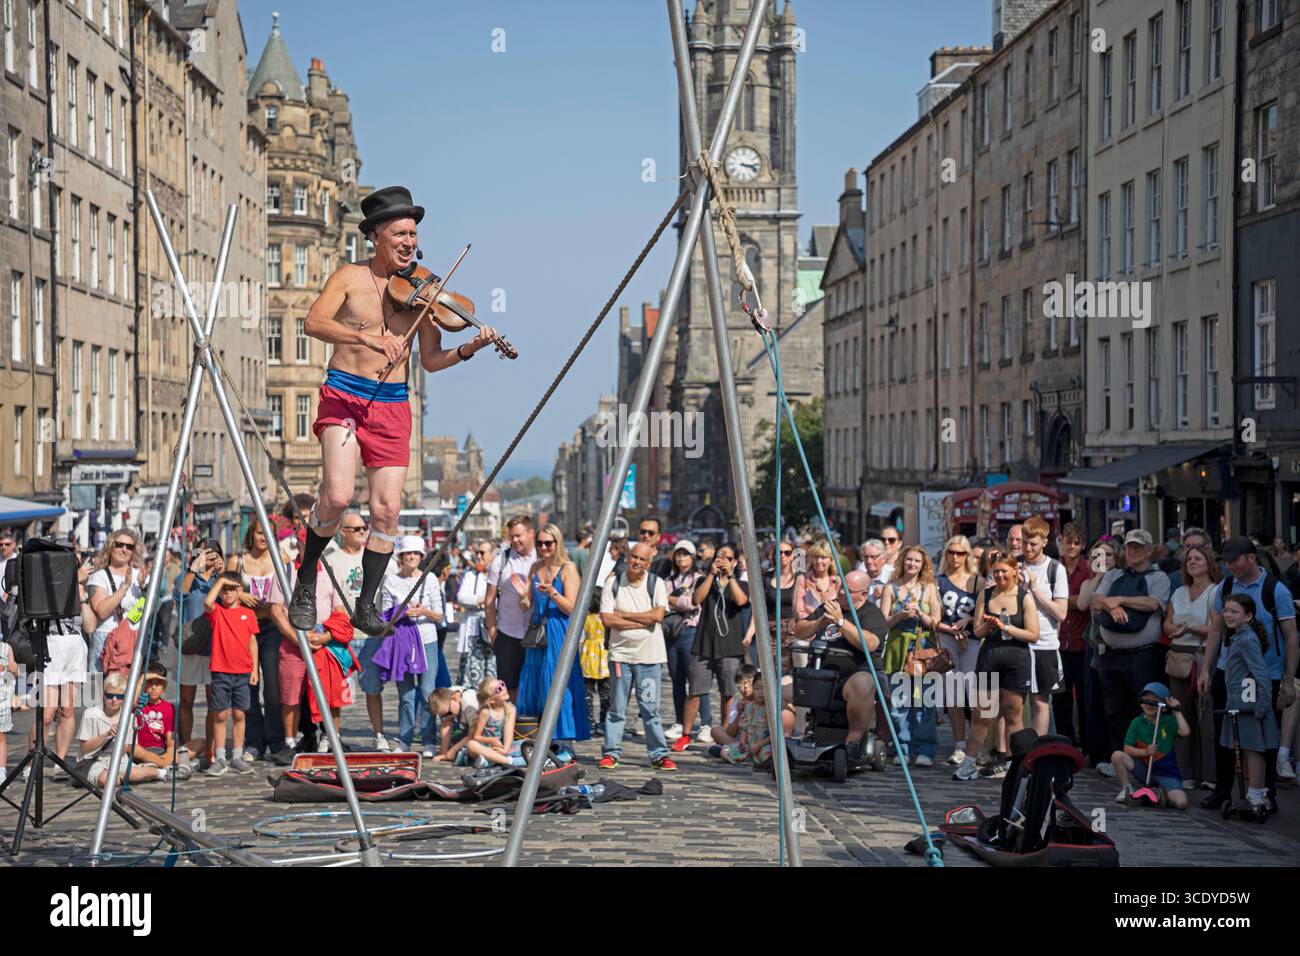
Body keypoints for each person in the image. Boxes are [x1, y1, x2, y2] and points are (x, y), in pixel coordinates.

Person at [288, 185, 499, 640]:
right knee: (339, 495)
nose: (409, 242)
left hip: (392, 404)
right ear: (376, 236)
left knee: (387, 510)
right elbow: (313, 323)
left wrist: (468, 348)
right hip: (345, 394)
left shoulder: (424, 288)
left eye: (413, 234)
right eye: (400, 233)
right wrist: (365, 338)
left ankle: (367, 603)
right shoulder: (348, 277)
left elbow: (430, 359)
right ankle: (306, 580)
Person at [1198, 537, 1297, 812]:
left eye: (1235, 560)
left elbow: (1291, 638)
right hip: (1228, 671)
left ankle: (1266, 795)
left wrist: (1288, 681)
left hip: (1264, 673)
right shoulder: (1225, 587)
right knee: (1224, 732)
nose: (1229, 565)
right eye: (1226, 561)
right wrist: (1206, 668)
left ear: (1251, 558)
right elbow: (1216, 630)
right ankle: (1222, 791)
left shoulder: (1275, 591)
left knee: (1262, 735)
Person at [952, 553, 1040, 781]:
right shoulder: (986, 593)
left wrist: (1006, 627)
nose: (999, 575)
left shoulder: (1024, 597)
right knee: (981, 714)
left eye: (1004, 571)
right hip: (990, 658)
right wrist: (990, 627)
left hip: (1017, 661)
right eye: (996, 571)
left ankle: (1014, 764)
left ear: (1014, 571)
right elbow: (978, 630)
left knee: (1013, 715)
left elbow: (1033, 634)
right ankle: (970, 762)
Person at [790, 570, 887, 766]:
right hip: (818, 676)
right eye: (842, 588)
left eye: (849, 591)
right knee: (779, 687)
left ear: (863, 593)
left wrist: (841, 622)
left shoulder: (871, 614)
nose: (842, 594)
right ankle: (782, 741)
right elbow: (799, 630)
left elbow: (870, 644)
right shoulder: (829, 606)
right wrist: (820, 622)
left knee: (863, 683)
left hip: (850, 677)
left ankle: (852, 742)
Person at [1089, 530, 1171, 759]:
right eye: (1128, 547)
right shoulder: (1114, 575)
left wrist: (1120, 600)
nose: (1132, 552)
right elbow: (1097, 599)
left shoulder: (1158, 578)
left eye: (1138, 547)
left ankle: (1145, 762)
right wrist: (1111, 606)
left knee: (1143, 710)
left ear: (1148, 551)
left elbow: (1153, 603)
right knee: (1114, 711)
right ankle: (1120, 760)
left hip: (1142, 657)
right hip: (1112, 655)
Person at [598, 541, 676, 771]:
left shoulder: (656, 584)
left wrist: (625, 616)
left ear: (648, 563)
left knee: (650, 708)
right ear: (627, 557)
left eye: (642, 559)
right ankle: (611, 752)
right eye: (634, 557)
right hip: (621, 656)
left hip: (650, 658)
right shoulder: (613, 583)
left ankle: (659, 753)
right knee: (617, 708)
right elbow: (608, 619)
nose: (636, 562)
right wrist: (643, 618)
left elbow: (658, 616)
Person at [515, 524, 590, 752]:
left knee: (558, 685)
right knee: (536, 683)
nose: (544, 547)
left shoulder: (568, 569)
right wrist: (522, 597)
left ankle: (564, 741)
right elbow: (527, 605)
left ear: (557, 543)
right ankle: (541, 738)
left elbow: (573, 608)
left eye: (549, 543)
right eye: (540, 543)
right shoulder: (535, 568)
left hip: (559, 632)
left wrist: (553, 593)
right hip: (538, 633)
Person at [672, 543, 749, 754]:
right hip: (704, 645)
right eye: (720, 556)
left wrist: (730, 576)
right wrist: (711, 575)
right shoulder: (704, 580)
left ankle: (724, 734)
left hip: (730, 646)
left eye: (729, 558)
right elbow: (696, 599)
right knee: (695, 691)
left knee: (728, 693)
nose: (724, 561)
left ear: (735, 562)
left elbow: (741, 601)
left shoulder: (741, 584)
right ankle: (686, 734)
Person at [380, 536, 449, 753]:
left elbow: (440, 615)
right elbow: (384, 614)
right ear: (400, 557)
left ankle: (428, 739)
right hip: (402, 642)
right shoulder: (391, 580)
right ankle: (405, 738)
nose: (411, 557)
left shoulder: (430, 580)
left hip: (427, 640)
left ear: (421, 556)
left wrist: (423, 611)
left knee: (428, 691)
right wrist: (403, 612)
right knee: (406, 695)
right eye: (407, 553)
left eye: (416, 553)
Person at [1214, 594, 1279, 813]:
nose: (1228, 615)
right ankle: (1254, 793)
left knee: (1253, 748)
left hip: (1247, 699)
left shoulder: (1247, 639)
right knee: (1245, 747)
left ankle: (1256, 795)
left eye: (1235, 611)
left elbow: (1260, 673)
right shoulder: (1238, 637)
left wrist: (1261, 705)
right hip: (1239, 698)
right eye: (1226, 610)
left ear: (1249, 616)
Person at [1162, 543, 1218, 789]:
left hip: (1202, 655)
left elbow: (1218, 628)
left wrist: (1191, 629)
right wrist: (1174, 629)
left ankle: (1210, 775)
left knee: (1205, 719)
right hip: (1178, 656)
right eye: (1189, 559)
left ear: (1208, 562)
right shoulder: (1179, 592)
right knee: (1180, 715)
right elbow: (1167, 623)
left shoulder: (1216, 592)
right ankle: (1186, 772)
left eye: (1198, 558)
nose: (1192, 562)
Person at [880, 545, 943, 766]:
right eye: (909, 560)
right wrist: (900, 615)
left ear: (923, 564)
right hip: (898, 649)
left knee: (924, 702)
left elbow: (936, 622)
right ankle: (902, 748)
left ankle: (925, 749)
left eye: (917, 561)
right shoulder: (890, 588)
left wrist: (921, 614)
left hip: (922, 649)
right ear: (902, 562)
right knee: (899, 705)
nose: (912, 564)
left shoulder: (929, 588)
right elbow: (882, 622)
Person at [77, 673, 191, 787]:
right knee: (106, 780)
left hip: (119, 760)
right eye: (110, 695)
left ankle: (162, 773)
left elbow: (127, 748)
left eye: (119, 696)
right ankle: (130, 775)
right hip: (94, 762)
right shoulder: (91, 714)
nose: (114, 700)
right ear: (104, 695)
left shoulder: (129, 717)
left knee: (132, 773)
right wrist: (105, 735)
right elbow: (85, 749)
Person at [227, 522, 281, 762]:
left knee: (272, 686)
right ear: (252, 533)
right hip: (245, 627)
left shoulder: (280, 557)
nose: (264, 537)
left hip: (272, 625)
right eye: (260, 533)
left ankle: (276, 740)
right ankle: (254, 741)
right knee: (248, 685)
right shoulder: (237, 560)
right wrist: (239, 593)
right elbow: (222, 587)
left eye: (268, 533)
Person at [203, 572, 260, 776]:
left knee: (239, 713)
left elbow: (252, 642)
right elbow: (208, 601)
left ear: (240, 591)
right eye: (224, 589)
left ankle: (236, 756)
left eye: (232, 588)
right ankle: (220, 757)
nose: (227, 593)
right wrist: (221, 581)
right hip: (221, 670)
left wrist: (254, 669)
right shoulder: (217, 611)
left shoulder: (249, 614)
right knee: (220, 714)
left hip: (242, 671)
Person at [173, 539, 222, 764]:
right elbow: (179, 594)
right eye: (204, 552)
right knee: (186, 701)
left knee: (215, 701)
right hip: (190, 644)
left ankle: (211, 751)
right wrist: (194, 568)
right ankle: (185, 747)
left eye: (213, 553)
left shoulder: (221, 579)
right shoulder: (187, 578)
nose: (209, 557)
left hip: (215, 646)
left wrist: (224, 575)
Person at [1019, 517, 1069, 736]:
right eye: (1024, 543)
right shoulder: (1015, 565)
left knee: (1041, 702)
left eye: (1033, 544)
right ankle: (1017, 756)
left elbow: (1061, 613)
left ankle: (1037, 755)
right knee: (1015, 704)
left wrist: (1035, 590)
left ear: (1044, 542)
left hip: (1044, 644)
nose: (1028, 548)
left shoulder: (1055, 569)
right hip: (1018, 642)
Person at [484, 515, 539, 700]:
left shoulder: (541, 559)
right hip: (507, 634)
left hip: (536, 635)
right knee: (508, 689)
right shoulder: (501, 561)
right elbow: (489, 600)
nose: (514, 540)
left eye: (518, 535)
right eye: (511, 536)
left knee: (536, 685)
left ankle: (536, 727)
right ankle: (512, 727)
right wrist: (493, 632)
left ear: (531, 533)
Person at [935, 535, 979, 765]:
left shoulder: (976, 581)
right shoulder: (939, 581)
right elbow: (933, 618)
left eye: (960, 553)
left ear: (967, 555)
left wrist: (969, 620)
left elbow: (985, 610)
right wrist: (951, 630)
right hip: (948, 639)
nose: (955, 557)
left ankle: (976, 745)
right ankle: (959, 745)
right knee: (953, 695)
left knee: (974, 694)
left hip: (972, 641)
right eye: (951, 552)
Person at [1078, 538, 1120, 774]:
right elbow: (1084, 604)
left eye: (1107, 556)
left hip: (1114, 648)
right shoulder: (1090, 582)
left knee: (1112, 703)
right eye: (1096, 557)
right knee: (1092, 701)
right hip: (1093, 647)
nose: (1101, 561)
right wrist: (1097, 577)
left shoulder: (1121, 581)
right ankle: (1097, 751)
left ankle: (1114, 753)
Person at [1112, 682, 1190, 809]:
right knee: (1117, 756)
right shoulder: (1137, 723)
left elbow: (1185, 732)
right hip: (1144, 769)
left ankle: (1160, 793)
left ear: (1164, 707)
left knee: (1181, 803)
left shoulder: (1168, 722)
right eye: (1146, 700)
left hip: (1167, 773)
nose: (1149, 704)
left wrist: (1176, 711)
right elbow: (1127, 749)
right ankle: (1127, 789)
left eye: (1154, 701)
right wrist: (1145, 752)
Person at [742, 538, 800, 709]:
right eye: (779, 552)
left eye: (787, 552)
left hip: (793, 631)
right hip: (771, 632)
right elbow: (759, 609)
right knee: (768, 673)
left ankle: (790, 712)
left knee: (791, 674)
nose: (782, 556)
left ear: (792, 556)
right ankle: (769, 713)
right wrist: (750, 632)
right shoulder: (766, 578)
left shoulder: (799, 578)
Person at [87, 530, 148, 673]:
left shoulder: (140, 575)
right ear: (110, 547)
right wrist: (124, 588)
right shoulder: (98, 577)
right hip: (105, 638)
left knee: (127, 691)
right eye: (120, 545)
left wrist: (144, 587)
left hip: (133, 639)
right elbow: (101, 612)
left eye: (129, 546)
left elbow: (151, 609)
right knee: (95, 691)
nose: (124, 549)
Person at [664, 541, 707, 740]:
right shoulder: (669, 579)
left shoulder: (699, 579)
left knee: (696, 680)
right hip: (672, 633)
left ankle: (705, 722)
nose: (681, 559)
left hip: (691, 631)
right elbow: (661, 601)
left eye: (686, 555)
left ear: (692, 557)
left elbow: (692, 603)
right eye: (678, 554)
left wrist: (673, 600)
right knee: (676, 679)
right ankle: (680, 720)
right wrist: (676, 602)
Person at [1054, 524, 1093, 748]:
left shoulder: (1087, 569)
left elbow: (1086, 602)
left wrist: (1061, 600)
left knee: (1086, 699)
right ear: (1061, 541)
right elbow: (1049, 600)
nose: (1071, 546)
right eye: (1068, 541)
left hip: (1082, 641)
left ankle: (1087, 745)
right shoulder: (1054, 568)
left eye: (1076, 542)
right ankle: (1064, 742)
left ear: (1083, 545)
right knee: (1060, 698)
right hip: (1058, 643)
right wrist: (1075, 601)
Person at [455, 541, 495, 687]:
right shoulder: (470, 575)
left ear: (492, 555)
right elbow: (461, 597)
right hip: (472, 628)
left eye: (482, 553)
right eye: (477, 553)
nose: (478, 556)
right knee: (469, 674)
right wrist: (482, 599)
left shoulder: (496, 575)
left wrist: (483, 601)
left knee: (490, 672)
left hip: (490, 629)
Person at [466, 677, 517, 768]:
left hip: (499, 746)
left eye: (502, 684)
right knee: (471, 744)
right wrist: (492, 740)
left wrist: (505, 749)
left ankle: (488, 760)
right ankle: (508, 761)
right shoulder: (485, 712)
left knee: (526, 744)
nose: (504, 689)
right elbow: (476, 736)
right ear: (491, 700)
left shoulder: (510, 709)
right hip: (484, 746)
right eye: (499, 689)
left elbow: (509, 731)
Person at [794, 539, 841, 621]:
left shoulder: (837, 582)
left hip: (832, 629)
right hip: (809, 629)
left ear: (831, 559)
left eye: (823, 557)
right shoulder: (803, 579)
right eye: (816, 557)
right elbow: (799, 611)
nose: (819, 561)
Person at [855, 538, 894, 607]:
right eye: (866, 557)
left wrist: (886, 593)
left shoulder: (893, 576)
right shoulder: (859, 578)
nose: (869, 561)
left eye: (873, 557)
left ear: (883, 557)